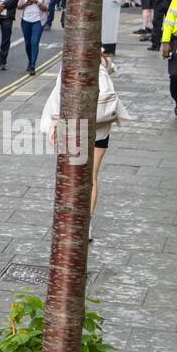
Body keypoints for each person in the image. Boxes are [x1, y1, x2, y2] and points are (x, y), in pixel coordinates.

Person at [41, 50, 127, 234]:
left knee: (71, 175)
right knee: (91, 178)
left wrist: (55, 121)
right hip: (100, 127)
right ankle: (85, 225)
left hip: (73, 126)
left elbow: (59, 95)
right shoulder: (101, 60)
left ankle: (71, 220)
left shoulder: (70, 66)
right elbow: (112, 69)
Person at [17, 0, 49, 76]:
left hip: (38, 21)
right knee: (27, 43)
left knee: (34, 42)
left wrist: (37, 2)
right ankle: (30, 61)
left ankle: (33, 65)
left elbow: (46, 8)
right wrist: (26, 3)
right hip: (25, 20)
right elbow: (18, 6)